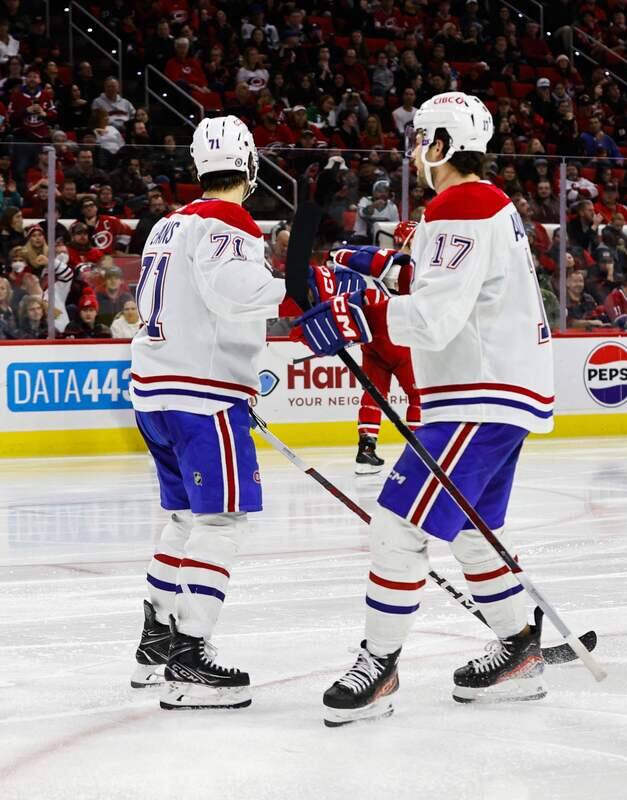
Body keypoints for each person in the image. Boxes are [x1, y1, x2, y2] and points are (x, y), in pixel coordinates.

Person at [293, 92, 555, 725]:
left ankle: (378, 666)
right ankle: (519, 651)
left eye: (421, 139)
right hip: (492, 392)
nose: (414, 150)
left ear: (441, 145)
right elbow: (447, 286)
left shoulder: (461, 204)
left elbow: (435, 318)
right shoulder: (485, 205)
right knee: (470, 532)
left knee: (398, 526)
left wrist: (356, 311)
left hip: (477, 395)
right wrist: (385, 271)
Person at [127, 115, 355, 710]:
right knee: (221, 523)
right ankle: (189, 657)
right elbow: (233, 290)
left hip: (154, 391)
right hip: (202, 395)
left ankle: (156, 643)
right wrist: (294, 290)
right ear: (249, 166)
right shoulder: (227, 219)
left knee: (181, 517)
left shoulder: (166, 226)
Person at [330, 222, 422, 474]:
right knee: (417, 395)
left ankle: (366, 449)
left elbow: (339, 255)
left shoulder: (372, 261)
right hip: (398, 335)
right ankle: (418, 450)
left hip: (370, 337)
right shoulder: (408, 265)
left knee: (374, 394)